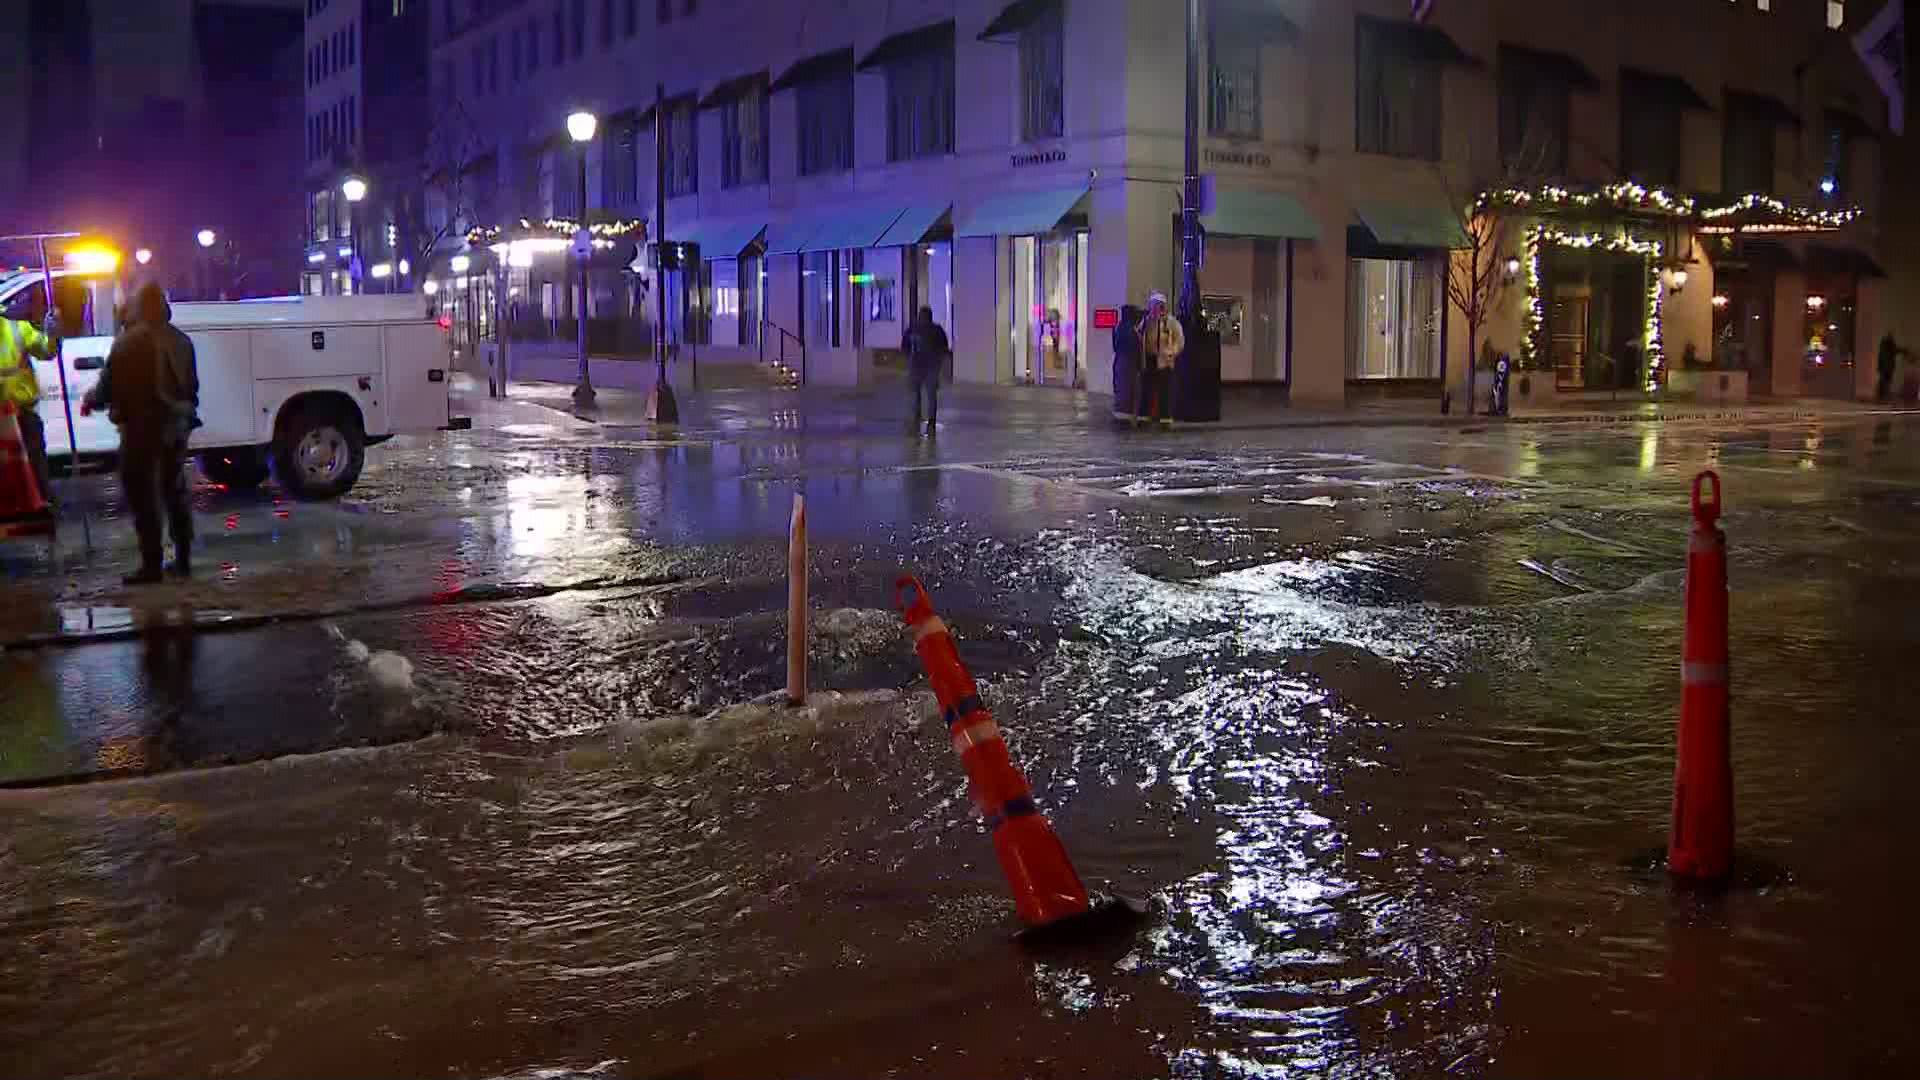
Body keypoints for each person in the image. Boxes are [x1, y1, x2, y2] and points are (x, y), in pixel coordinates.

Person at [81, 282, 199, 584]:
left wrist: (90, 400)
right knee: (174, 492)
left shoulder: (129, 342)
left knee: (143, 498)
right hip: (177, 428)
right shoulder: (182, 341)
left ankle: (152, 566)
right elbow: (193, 386)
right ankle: (183, 560)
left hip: (141, 430)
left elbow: (107, 387)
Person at [0, 294, 60, 506]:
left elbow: (46, 351)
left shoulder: (16, 328)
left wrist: (51, 335)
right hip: (5, 418)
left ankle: (44, 503)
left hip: (21, 412)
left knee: (35, 464)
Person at [1138, 291, 1184, 427]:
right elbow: (1140, 335)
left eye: (1157, 306)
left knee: (1165, 391)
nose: (1155, 308)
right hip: (1149, 359)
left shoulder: (1172, 323)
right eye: (1152, 306)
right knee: (1147, 389)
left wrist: (1171, 352)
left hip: (1165, 361)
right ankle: (1144, 417)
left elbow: (1179, 340)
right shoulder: (1147, 321)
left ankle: (1165, 419)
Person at [906, 306, 949, 434]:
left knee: (918, 394)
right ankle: (930, 420)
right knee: (929, 395)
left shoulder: (913, 329)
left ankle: (919, 417)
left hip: (919, 366)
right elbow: (944, 348)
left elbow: (905, 346)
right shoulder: (936, 329)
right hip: (929, 366)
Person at [1111, 302, 1143, 419]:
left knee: (1121, 389)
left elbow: (1114, 346)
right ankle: (1124, 415)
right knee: (1127, 390)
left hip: (1120, 361)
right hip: (1128, 364)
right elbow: (1135, 348)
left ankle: (1121, 413)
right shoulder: (1130, 330)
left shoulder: (1118, 327)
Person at [1877, 332, 1903, 402]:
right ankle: (1883, 396)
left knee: (1884, 382)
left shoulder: (1884, 346)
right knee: (1885, 382)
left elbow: (1895, 350)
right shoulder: (1888, 346)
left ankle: (1882, 396)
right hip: (1887, 368)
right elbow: (1895, 350)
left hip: (1885, 368)